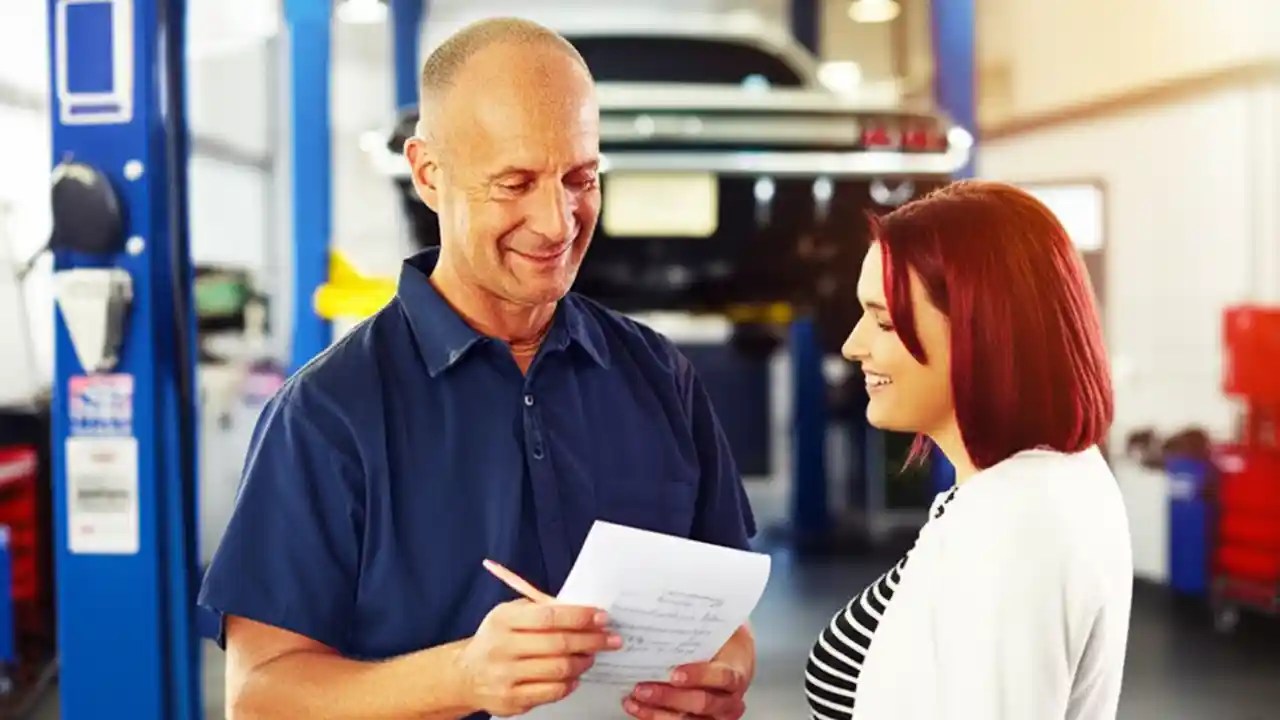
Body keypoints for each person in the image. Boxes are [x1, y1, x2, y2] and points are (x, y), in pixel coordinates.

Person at [199, 18, 757, 720]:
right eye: (515, 182)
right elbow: (258, 697)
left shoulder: (658, 377)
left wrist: (718, 674)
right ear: (429, 173)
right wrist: (461, 677)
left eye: (581, 178)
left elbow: (727, 623)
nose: (557, 221)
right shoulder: (327, 415)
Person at [804, 181, 1132, 719]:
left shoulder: (1015, 518)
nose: (853, 345)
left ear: (980, 332)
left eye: (884, 320)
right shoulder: (1032, 486)